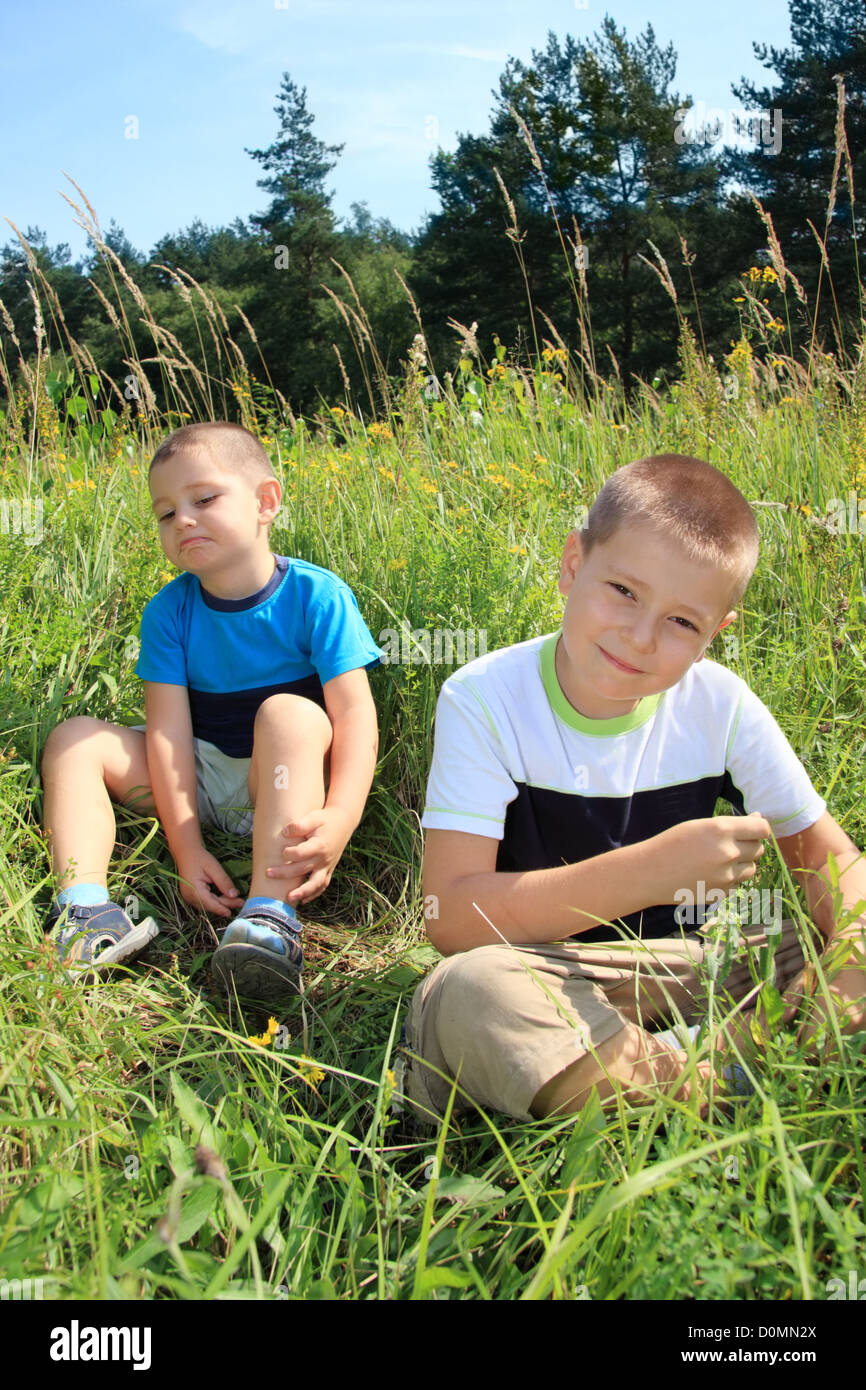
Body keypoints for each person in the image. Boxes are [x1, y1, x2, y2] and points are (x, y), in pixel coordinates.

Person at [403, 453, 866, 1122]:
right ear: (572, 564)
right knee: (469, 993)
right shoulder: (485, 699)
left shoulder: (721, 705)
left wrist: (852, 959)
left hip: (689, 971)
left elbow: (833, 860)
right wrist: (647, 875)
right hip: (542, 973)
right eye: (623, 590)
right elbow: (448, 916)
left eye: (683, 623)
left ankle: (662, 1079)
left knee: (838, 938)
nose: (640, 637)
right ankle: (715, 1089)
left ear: (715, 636)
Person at [40, 421, 381, 1000]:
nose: (183, 521)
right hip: (198, 775)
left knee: (290, 714)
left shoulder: (316, 597)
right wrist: (188, 847)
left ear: (265, 502)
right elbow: (168, 738)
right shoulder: (169, 612)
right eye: (166, 513)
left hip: (281, 782)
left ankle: (268, 917)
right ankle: (83, 912)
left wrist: (343, 817)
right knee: (73, 739)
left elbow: (354, 719)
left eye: (204, 499)